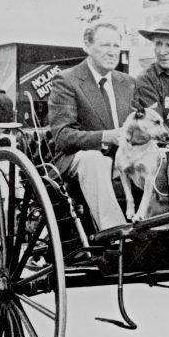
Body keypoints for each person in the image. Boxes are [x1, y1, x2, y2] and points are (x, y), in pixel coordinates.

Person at [48, 20, 134, 231]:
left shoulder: (128, 83)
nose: (112, 52)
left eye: (116, 46)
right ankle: (115, 232)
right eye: (105, 45)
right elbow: (63, 136)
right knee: (94, 160)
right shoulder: (67, 81)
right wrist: (106, 136)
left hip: (120, 161)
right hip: (76, 160)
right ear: (87, 46)